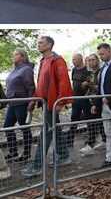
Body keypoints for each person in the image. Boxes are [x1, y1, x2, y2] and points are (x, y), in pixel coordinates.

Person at [22, 36, 73, 178]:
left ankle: (37, 166)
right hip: (45, 102)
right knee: (54, 130)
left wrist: (61, 102)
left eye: (41, 43)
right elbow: (41, 83)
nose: (38, 45)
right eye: (37, 43)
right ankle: (64, 156)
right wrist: (34, 100)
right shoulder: (44, 60)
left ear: (49, 45)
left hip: (53, 103)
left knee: (46, 133)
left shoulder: (57, 60)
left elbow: (64, 82)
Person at [3, 49, 35, 163]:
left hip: (22, 103)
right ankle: (13, 152)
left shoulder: (26, 69)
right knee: (7, 126)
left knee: (24, 128)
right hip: (12, 103)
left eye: (16, 54)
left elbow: (31, 87)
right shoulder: (14, 70)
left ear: (23, 57)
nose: (13, 56)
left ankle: (27, 153)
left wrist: (31, 102)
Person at [79, 54, 107, 156]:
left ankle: (91, 144)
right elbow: (85, 88)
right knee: (92, 123)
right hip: (89, 100)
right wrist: (84, 85)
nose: (91, 62)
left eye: (93, 60)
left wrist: (90, 84)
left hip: (98, 101)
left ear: (97, 60)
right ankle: (101, 141)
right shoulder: (88, 73)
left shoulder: (102, 72)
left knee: (97, 123)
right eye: (89, 60)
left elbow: (100, 88)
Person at [66, 53, 92, 148]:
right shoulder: (73, 70)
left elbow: (90, 84)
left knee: (89, 119)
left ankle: (91, 139)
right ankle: (69, 141)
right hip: (76, 98)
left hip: (85, 99)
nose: (73, 61)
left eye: (75, 60)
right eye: (72, 60)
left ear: (80, 60)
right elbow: (73, 83)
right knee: (74, 119)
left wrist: (87, 85)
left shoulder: (87, 70)